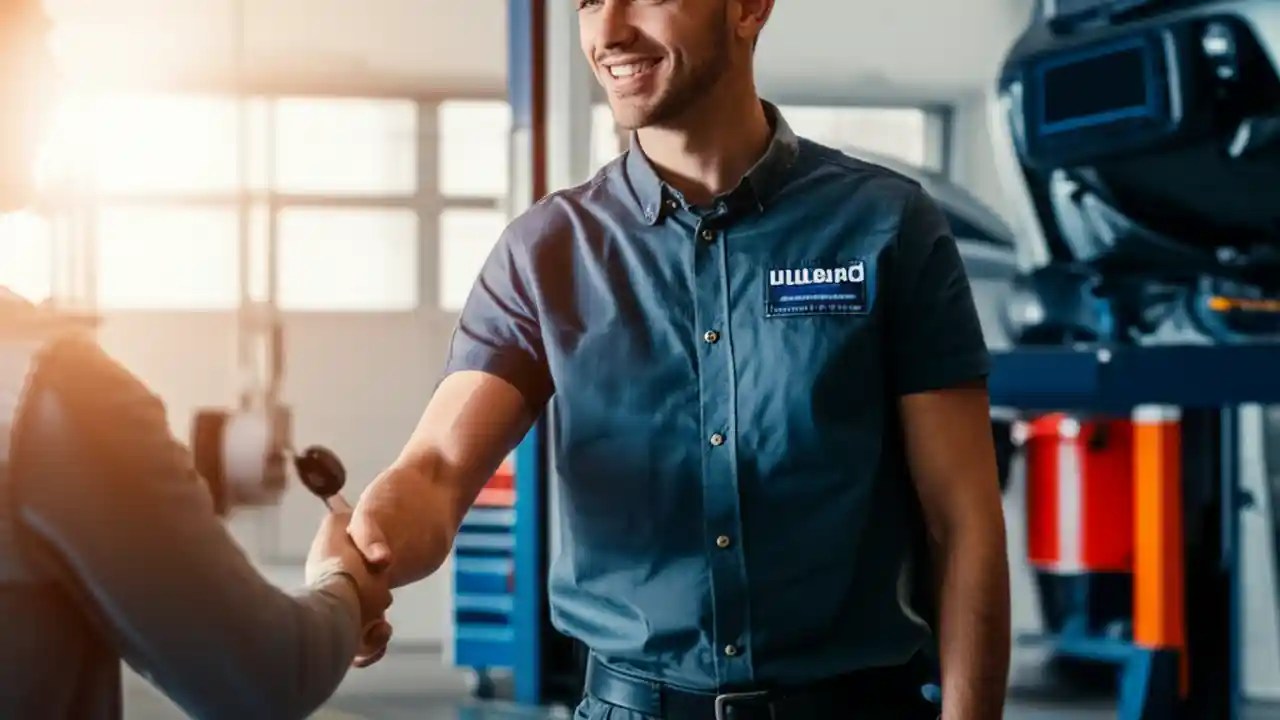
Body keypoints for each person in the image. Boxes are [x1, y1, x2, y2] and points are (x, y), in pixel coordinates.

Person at [350, 0, 1010, 718]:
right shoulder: (548, 251)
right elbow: (437, 470)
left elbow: (963, 520)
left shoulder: (886, 226)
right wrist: (370, 545)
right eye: (589, 2)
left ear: (750, 8)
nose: (609, 32)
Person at [0, 2, 392, 718]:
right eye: (37, 44)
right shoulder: (52, 391)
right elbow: (264, 676)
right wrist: (343, 586)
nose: (57, 79)